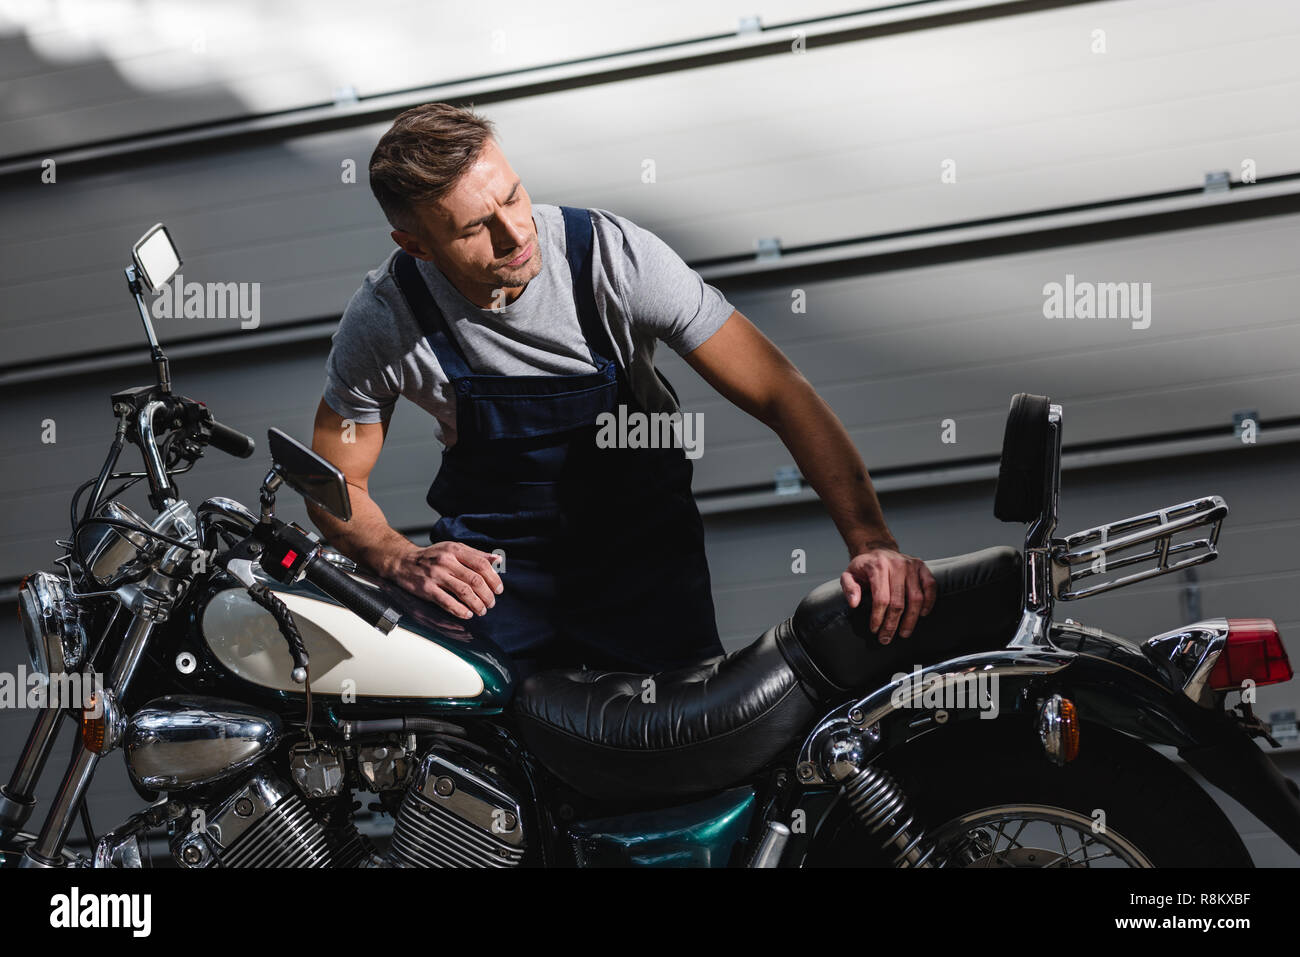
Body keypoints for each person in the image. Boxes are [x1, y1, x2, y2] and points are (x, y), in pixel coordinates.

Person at [309, 102, 936, 676]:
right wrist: (395, 556)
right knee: (502, 770)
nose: (515, 233)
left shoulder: (610, 257)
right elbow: (333, 484)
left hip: (646, 561)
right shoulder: (387, 320)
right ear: (415, 245)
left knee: (686, 760)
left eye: (514, 195)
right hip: (501, 583)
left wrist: (871, 543)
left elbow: (780, 392)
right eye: (476, 227)